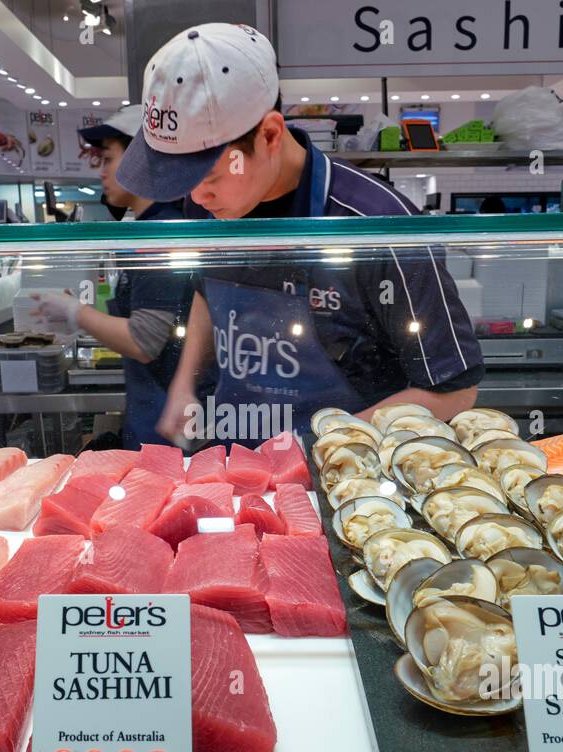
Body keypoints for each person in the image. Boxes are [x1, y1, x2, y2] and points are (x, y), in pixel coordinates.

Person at [115, 23, 483, 445]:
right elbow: (206, 289)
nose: (196, 195)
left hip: (347, 486)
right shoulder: (207, 202)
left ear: (270, 135)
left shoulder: (378, 226)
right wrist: (185, 384)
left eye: (209, 174)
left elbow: (455, 388)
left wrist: (330, 446)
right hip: (237, 459)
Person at [25, 104, 195, 447]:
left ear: (139, 159)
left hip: (168, 427)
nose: (101, 171)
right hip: (152, 417)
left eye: (108, 158)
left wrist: (76, 313)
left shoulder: (160, 233)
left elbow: (143, 341)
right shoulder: (142, 230)